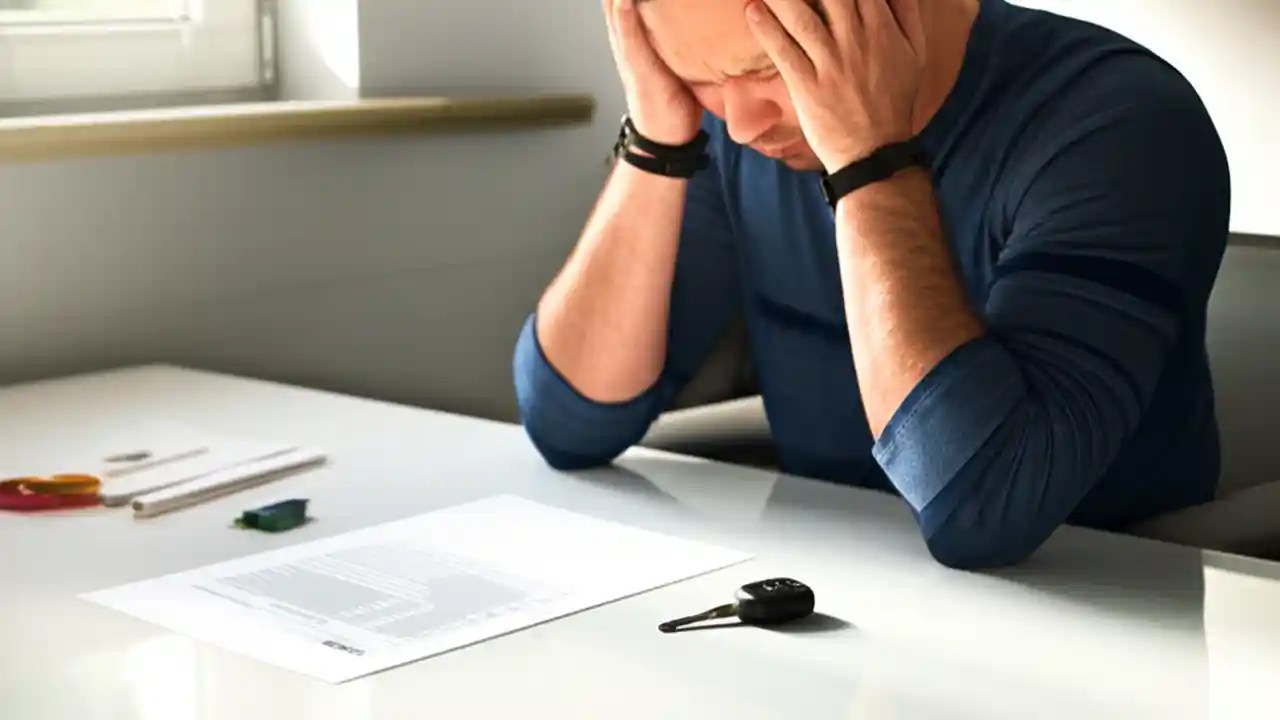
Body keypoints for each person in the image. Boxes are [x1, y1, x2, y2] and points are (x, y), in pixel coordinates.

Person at [512, 0, 1230, 569]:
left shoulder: (1120, 123)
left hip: (1102, 609)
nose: (741, 125)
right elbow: (569, 423)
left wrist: (866, 161)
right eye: (698, 74)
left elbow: (983, 510)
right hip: (841, 594)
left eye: (769, 67)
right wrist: (658, 141)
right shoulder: (734, 135)